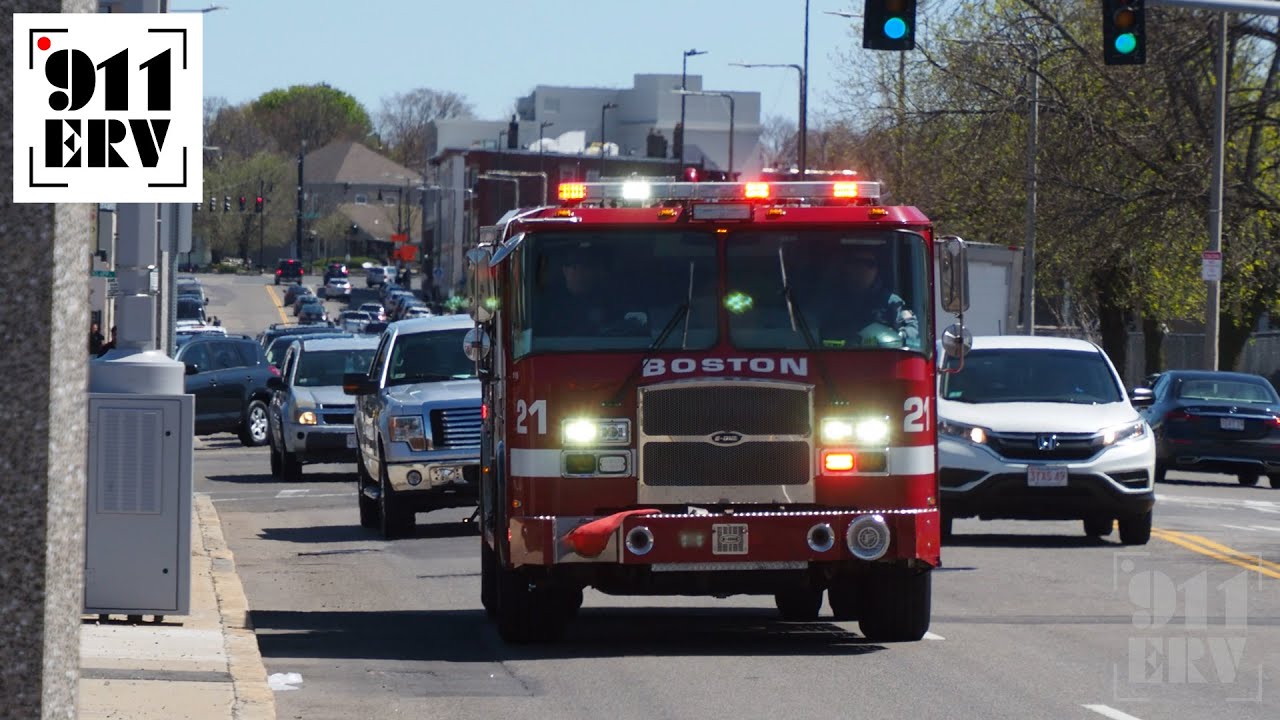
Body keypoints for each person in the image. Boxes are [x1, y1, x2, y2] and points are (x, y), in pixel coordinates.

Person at [819, 246, 919, 348]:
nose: (863, 269)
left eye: (869, 264)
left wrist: (899, 337)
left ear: (876, 270)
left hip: (880, 359)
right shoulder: (832, 300)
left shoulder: (891, 302)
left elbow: (911, 329)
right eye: (856, 263)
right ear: (846, 268)